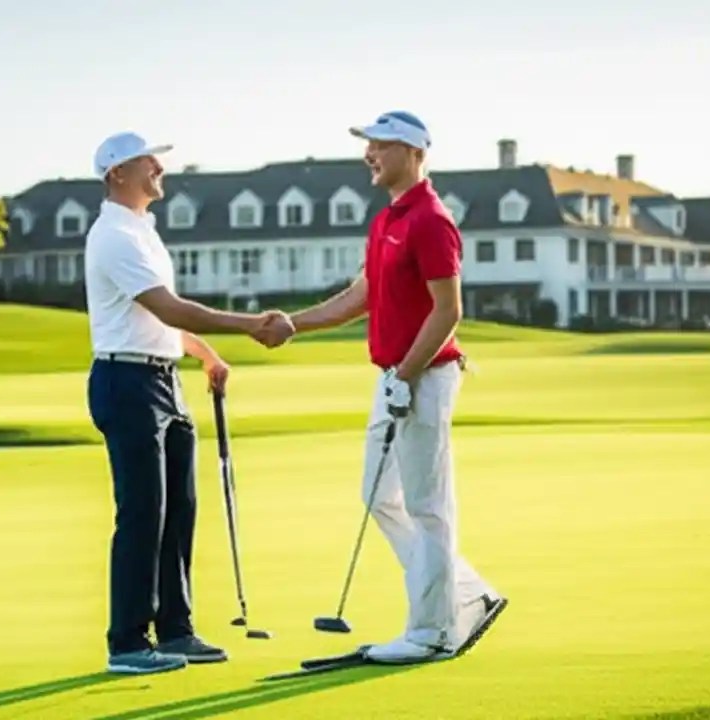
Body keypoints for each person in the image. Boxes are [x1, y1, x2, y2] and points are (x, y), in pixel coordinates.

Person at [281, 111, 507, 664]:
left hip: (424, 376)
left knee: (427, 504)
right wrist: (295, 323)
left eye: (379, 145)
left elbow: (448, 309)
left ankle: (431, 631)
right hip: (397, 377)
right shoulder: (387, 220)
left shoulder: (430, 220)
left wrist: (407, 375)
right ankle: (464, 593)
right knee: (379, 496)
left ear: (412, 151)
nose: (369, 156)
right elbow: (362, 294)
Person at [83, 130, 294, 675]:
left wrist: (204, 354)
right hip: (125, 384)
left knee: (179, 511)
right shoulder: (113, 236)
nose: (158, 165)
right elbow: (169, 307)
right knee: (142, 514)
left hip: (162, 381)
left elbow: (159, 321)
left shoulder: (143, 231)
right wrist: (248, 324)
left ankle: (175, 629)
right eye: (146, 160)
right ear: (117, 175)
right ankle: (127, 642)